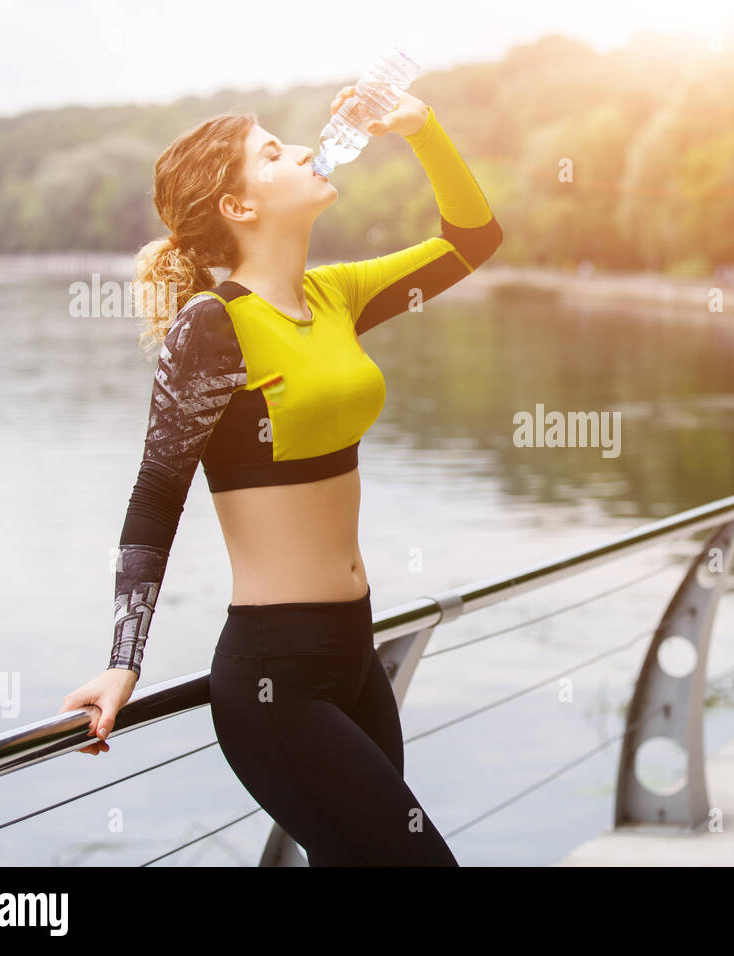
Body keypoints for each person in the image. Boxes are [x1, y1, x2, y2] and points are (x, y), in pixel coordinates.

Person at [57, 82, 502, 866]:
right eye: (272, 151)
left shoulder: (333, 296)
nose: (302, 149)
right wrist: (125, 659)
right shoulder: (213, 324)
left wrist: (424, 130)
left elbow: (474, 241)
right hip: (276, 677)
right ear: (238, 207)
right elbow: (156, 491)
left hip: (354, 653)